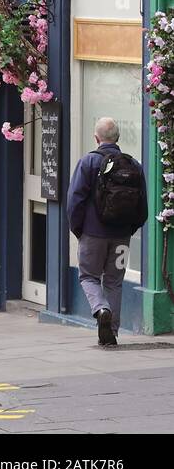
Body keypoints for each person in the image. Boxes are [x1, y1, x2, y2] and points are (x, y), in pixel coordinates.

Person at [67, 116, 148, 346]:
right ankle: (111, 332)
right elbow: (142, 206)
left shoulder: (88, 162)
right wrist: (130, 229)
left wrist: (78, 229)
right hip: (122, 236)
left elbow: (75, 200)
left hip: (92, 235)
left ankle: (101, 309)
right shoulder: (134, 165)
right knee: (114, 282)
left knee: (89, 276)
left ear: (96, 138)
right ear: (118, 138)